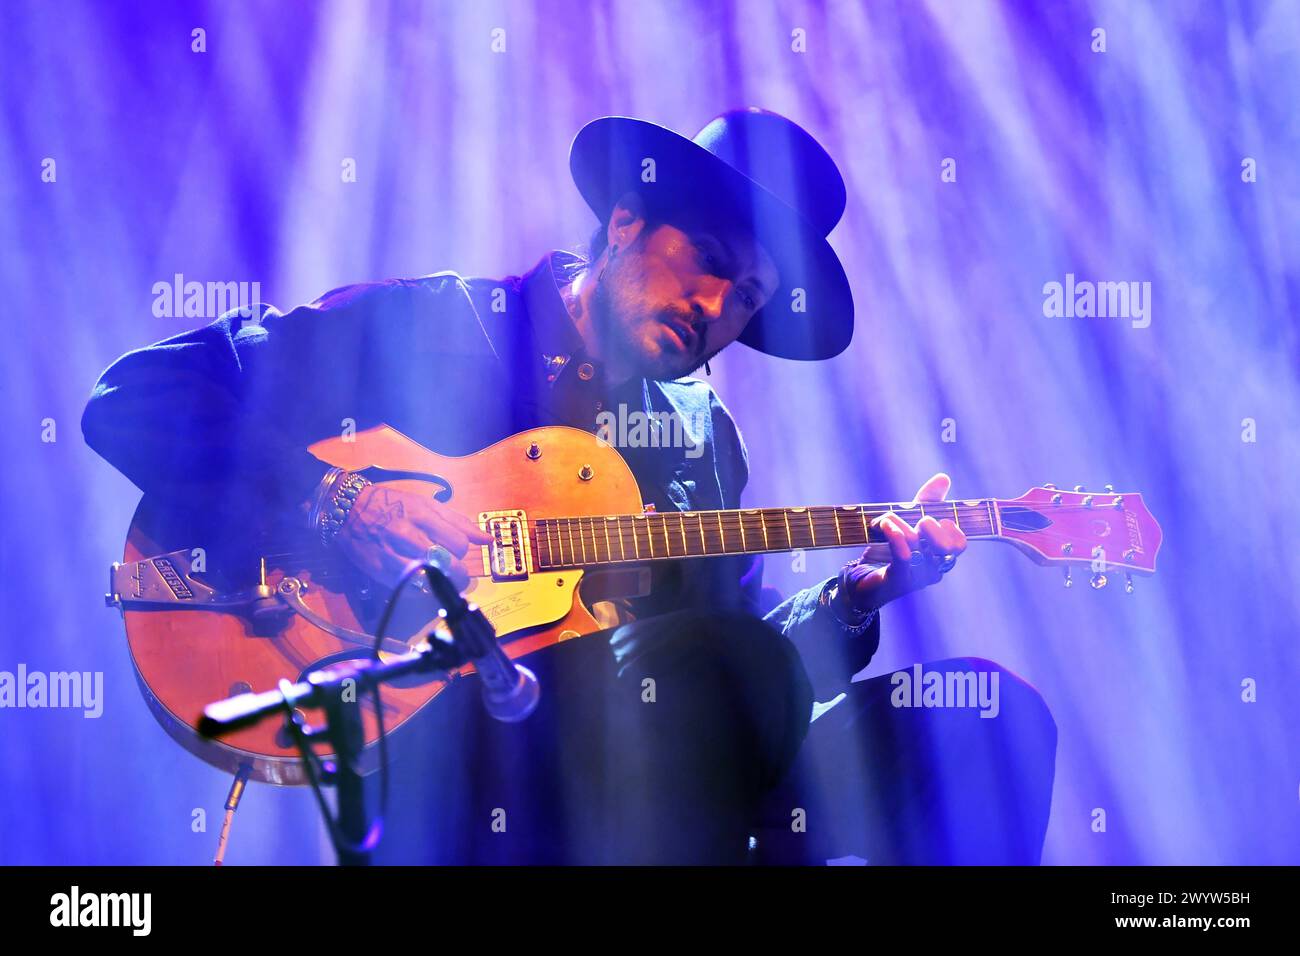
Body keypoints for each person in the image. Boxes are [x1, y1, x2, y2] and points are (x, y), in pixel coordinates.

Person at [83, 109, 1057, 864]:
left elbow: (747, 659)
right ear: (625, 222)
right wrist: (339, 503)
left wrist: (856, 596)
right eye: (707, 263)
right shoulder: (442, 331)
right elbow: (136, 395)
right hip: (470, 780)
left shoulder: (702, 450)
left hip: (656, 787)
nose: (715, 306)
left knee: (986, 720)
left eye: (748, 298)